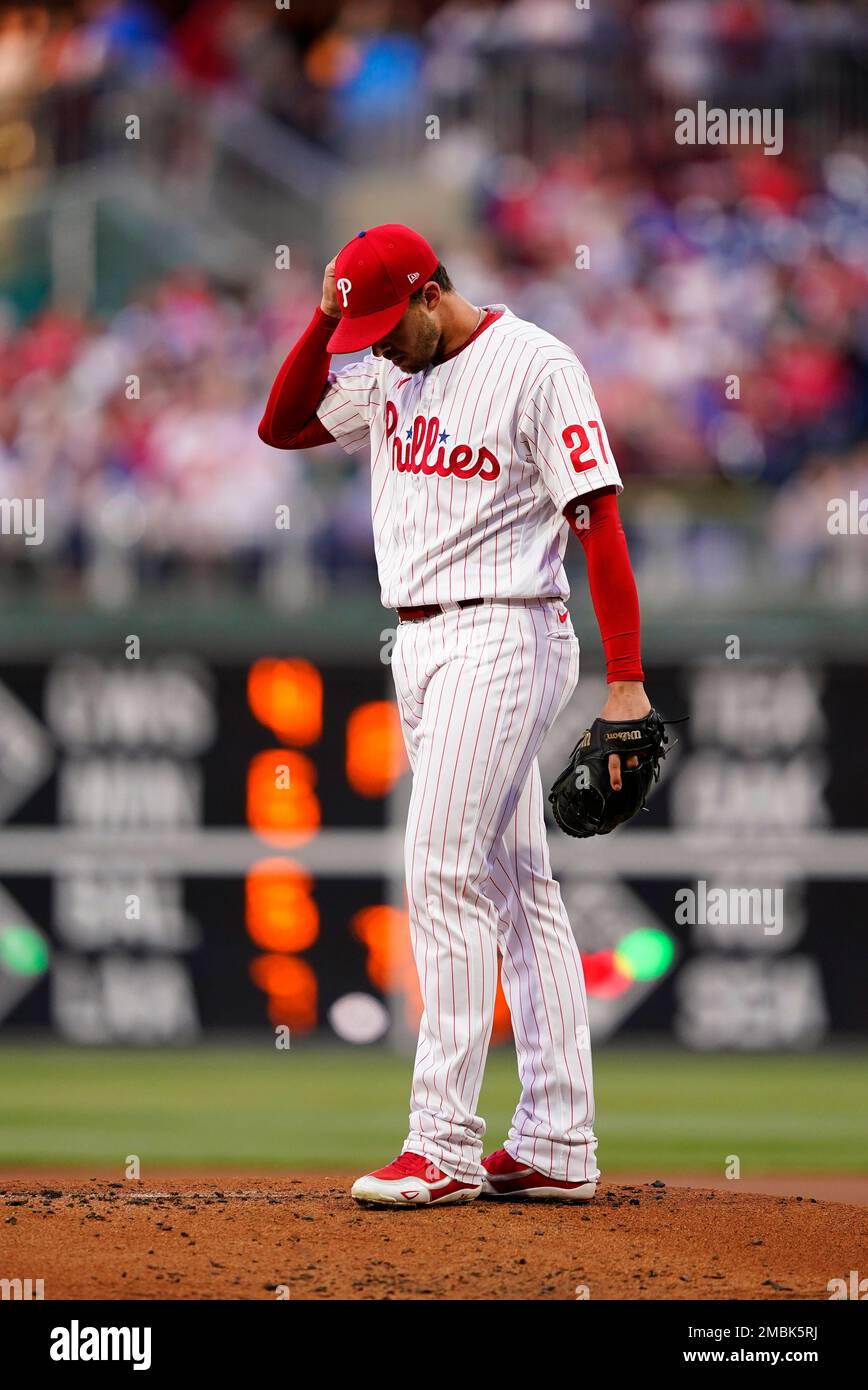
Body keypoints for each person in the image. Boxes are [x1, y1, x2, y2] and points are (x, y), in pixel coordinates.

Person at [259, 224, 649, 1206]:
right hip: (423, 640)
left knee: (438, 865)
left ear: (434, 291)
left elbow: (597, 523)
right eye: (368, 332)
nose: (380, 346)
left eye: (391, 323)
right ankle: (558, 1137)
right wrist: (324, 316)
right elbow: (284, 424)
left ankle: (441, 1139)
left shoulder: (534, 364)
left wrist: (627, 678)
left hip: (505, 629)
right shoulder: (390, 369)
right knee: (518, 883)